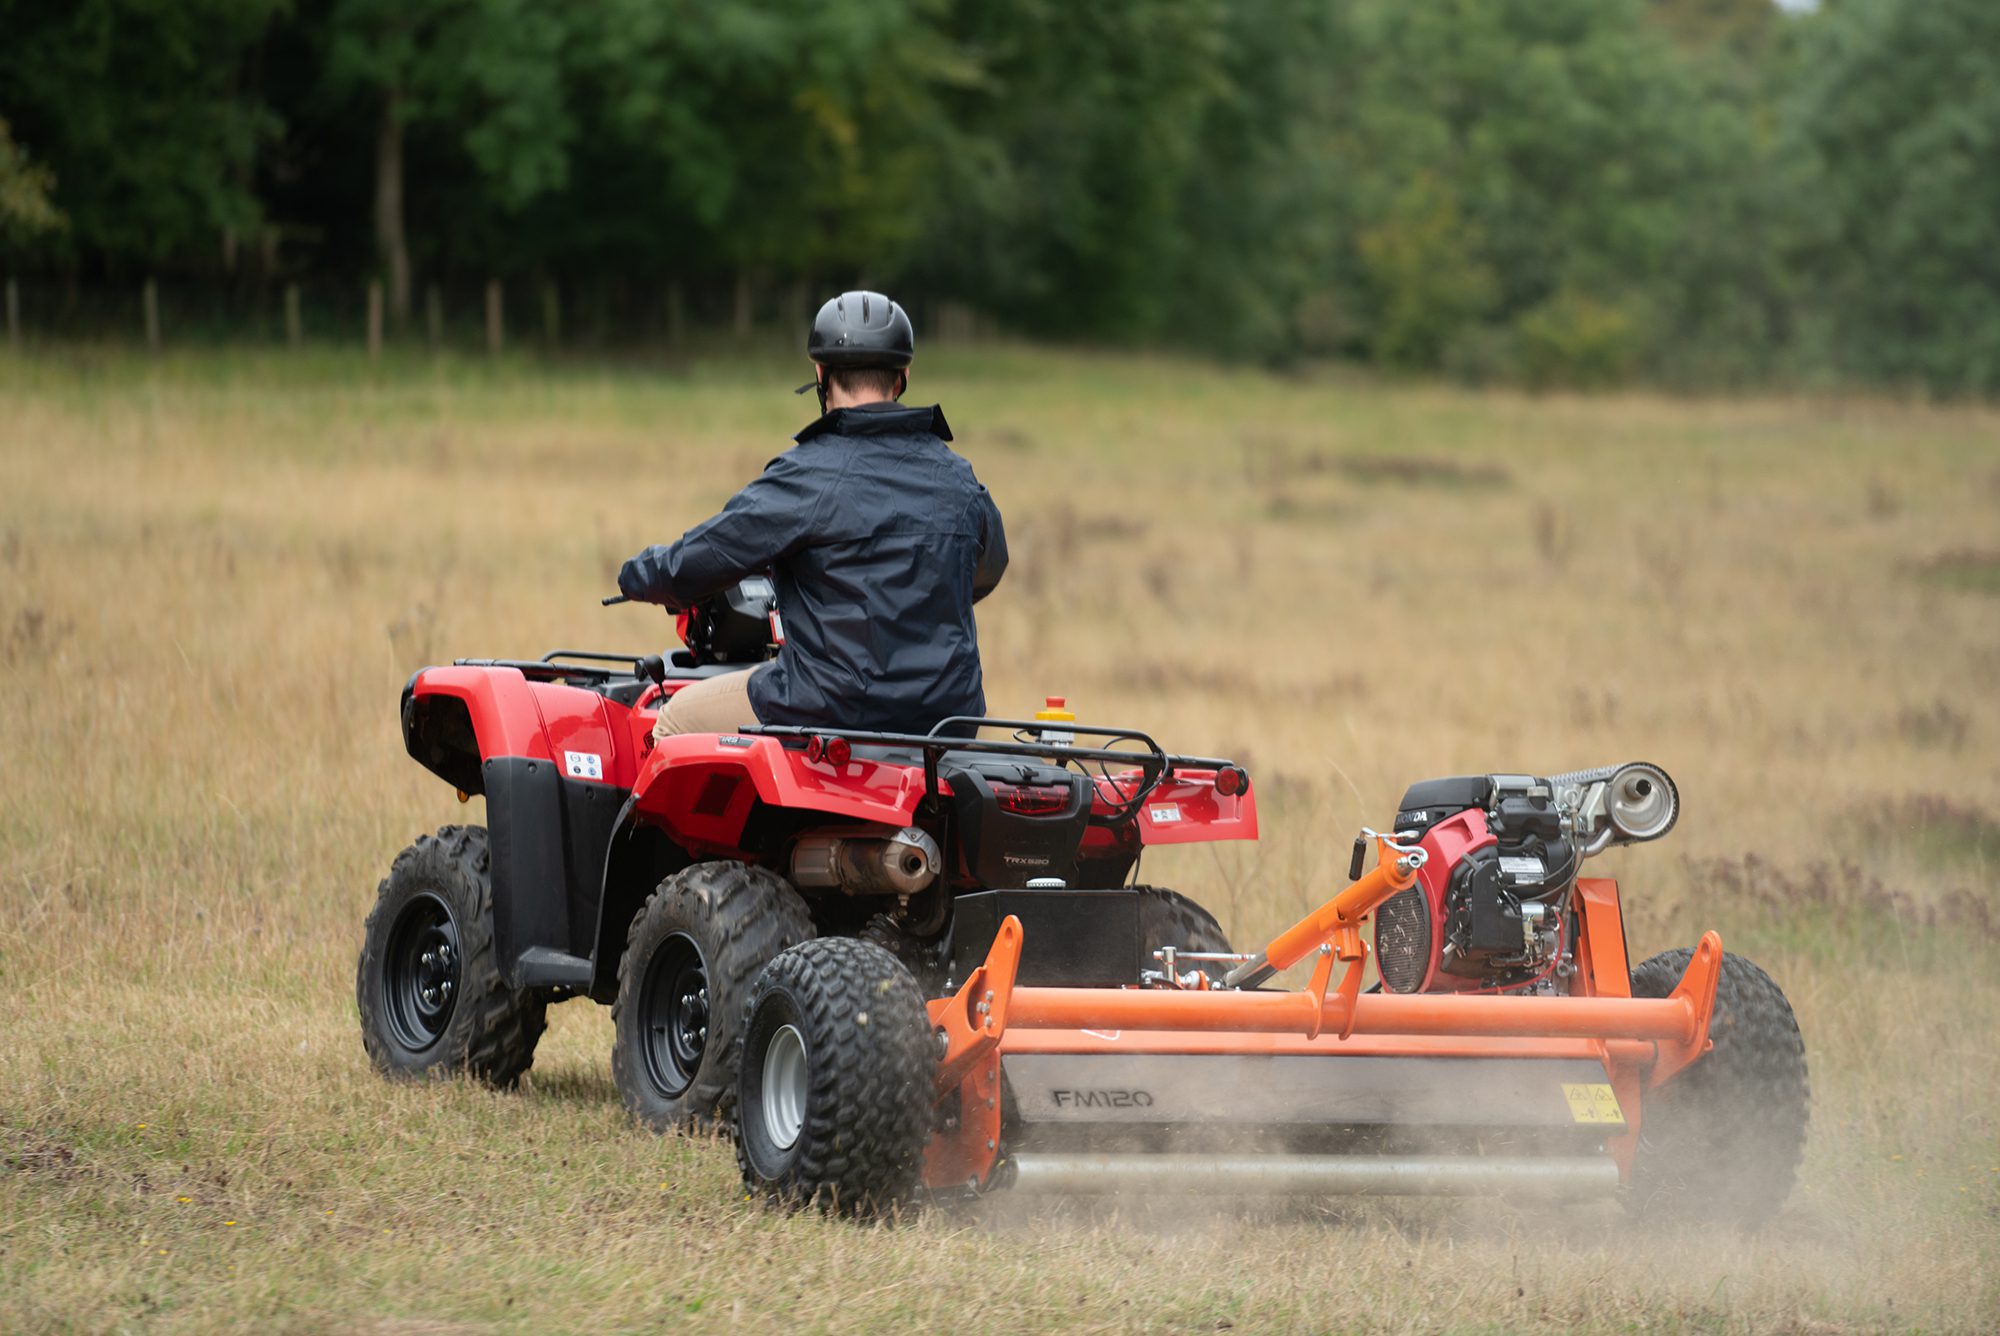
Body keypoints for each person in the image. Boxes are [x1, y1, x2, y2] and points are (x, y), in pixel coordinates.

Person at [618, 290, 1007, 739]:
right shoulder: (958, 477)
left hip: (827, 705)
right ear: (902, 377)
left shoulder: (807, 474)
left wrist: (637, 575)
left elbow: (698, 562)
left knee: (674, 718)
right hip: (948, 718)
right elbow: (988, 568)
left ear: (821, 373)